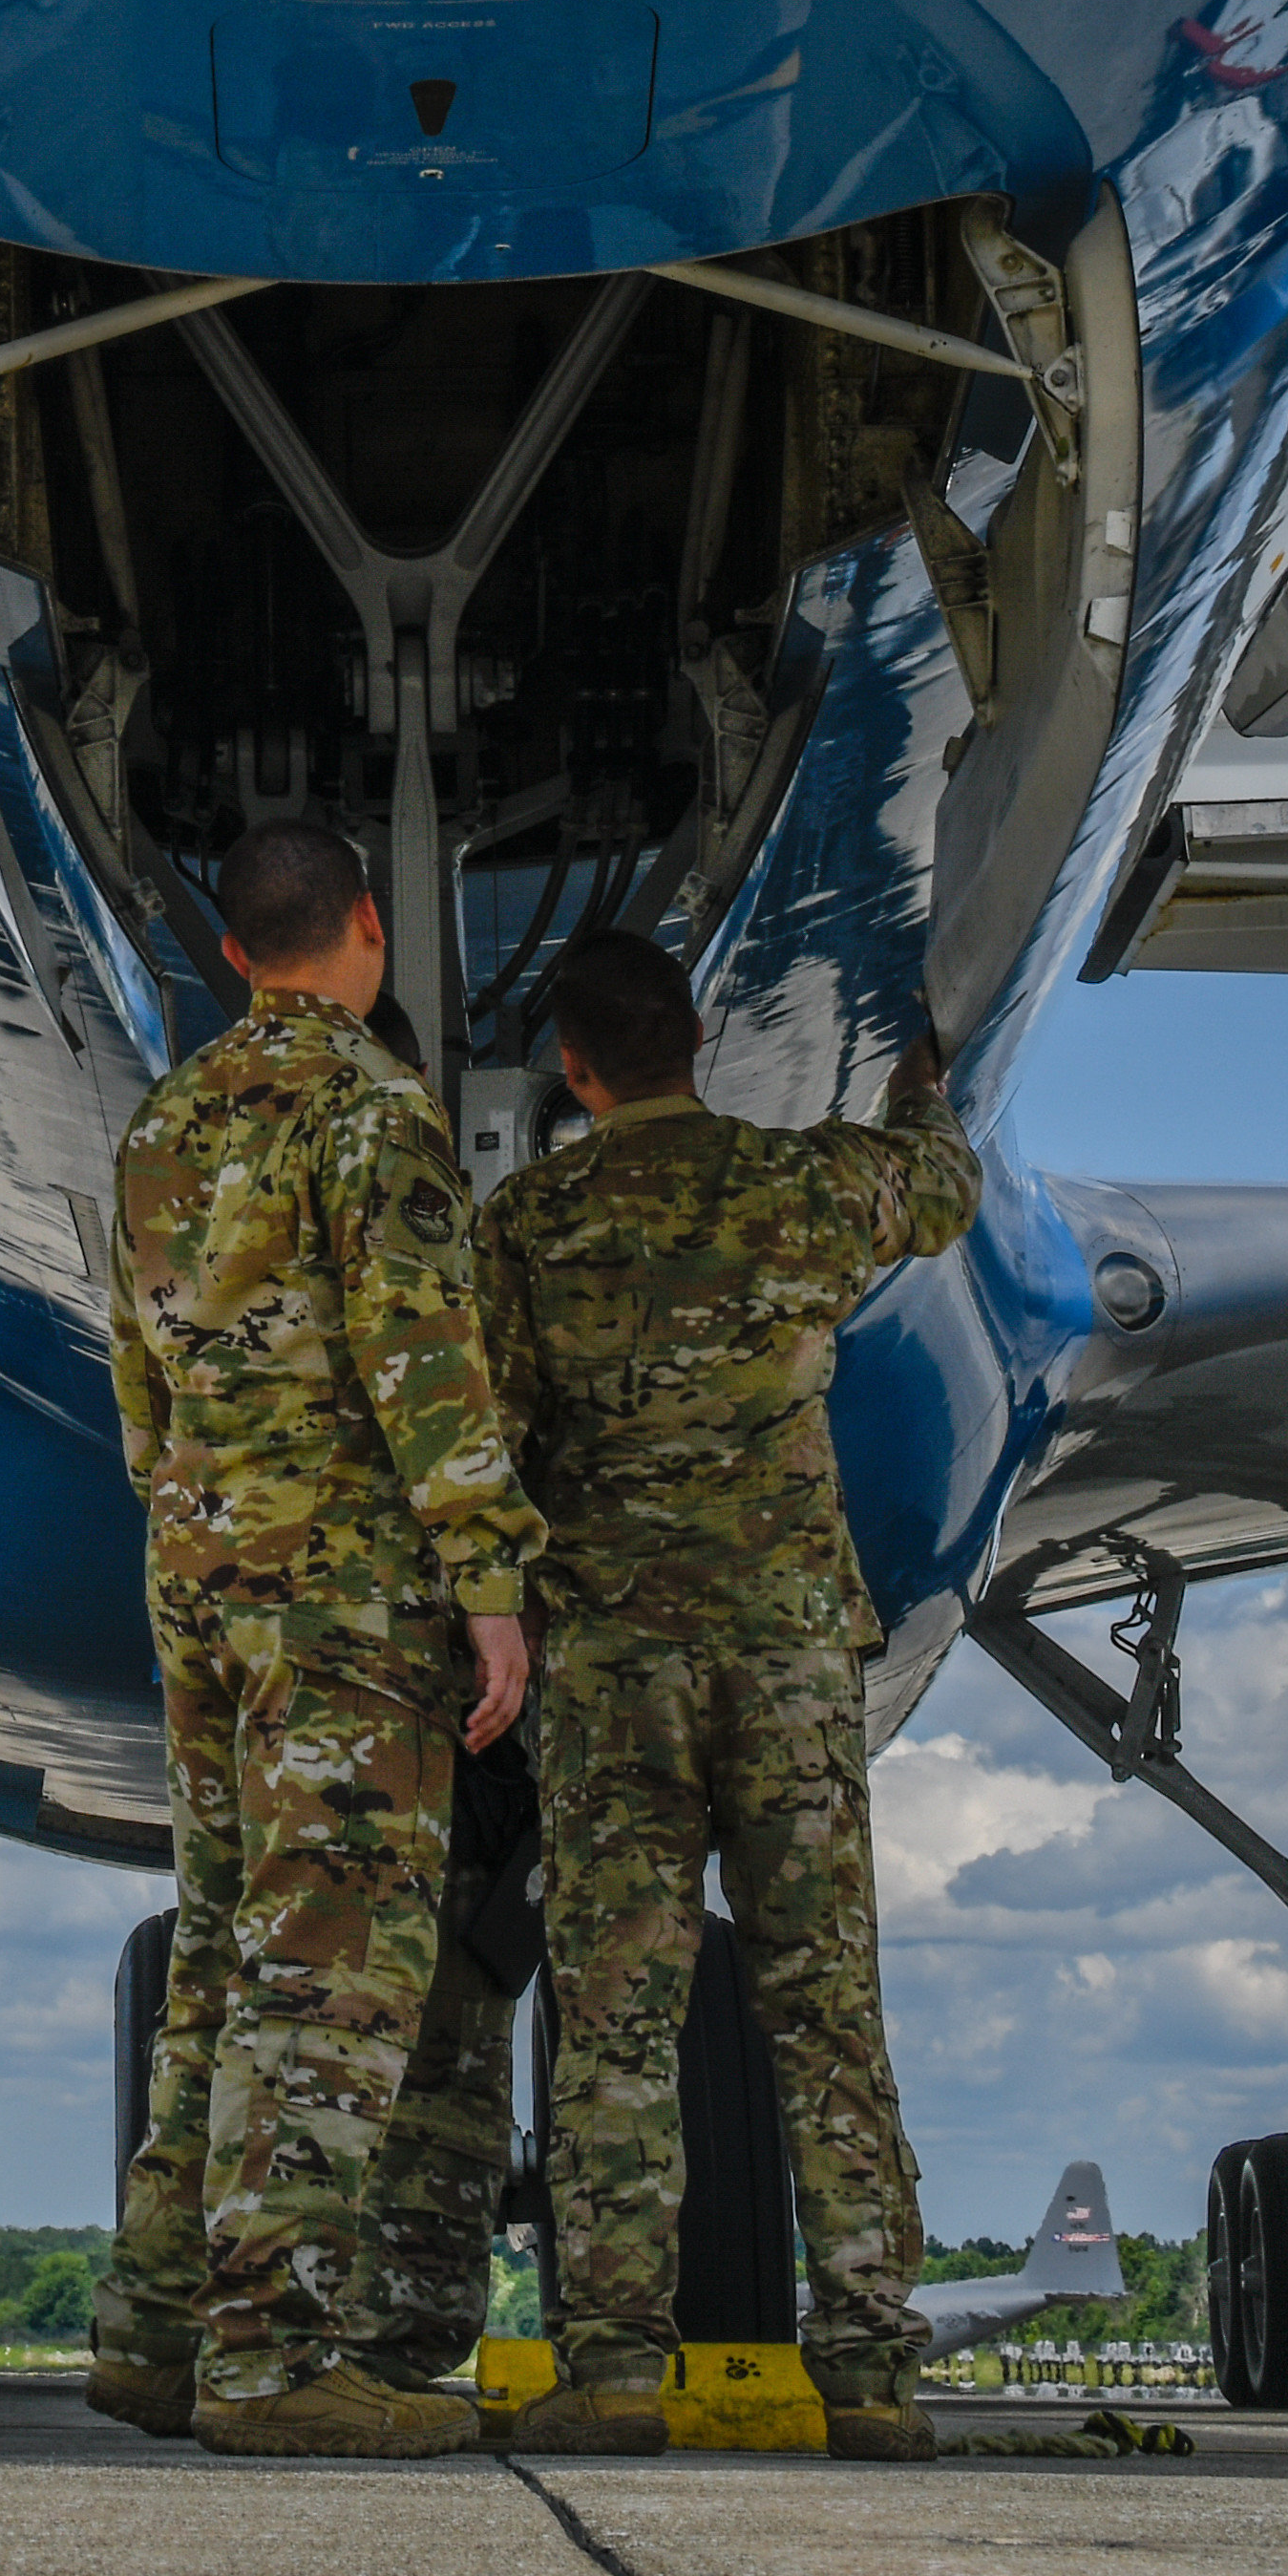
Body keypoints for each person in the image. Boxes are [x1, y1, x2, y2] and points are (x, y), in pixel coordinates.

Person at [475, 923, 974, 2464]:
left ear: (572, 1072)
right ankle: (875, 2365)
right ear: (699, 1037)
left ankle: (618, 2362)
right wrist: (927, 1084)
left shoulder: (533, 1219)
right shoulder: (799, 1187)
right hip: (787, 1660)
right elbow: (938, 1193)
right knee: (824, 2003)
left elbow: (479, 1434)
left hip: (613, 1669)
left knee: (616, 2022)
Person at [85, 820, 538, 2460]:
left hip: (197, 1579)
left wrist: (200, 1524)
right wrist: (489, 1583)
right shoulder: (374, 1111)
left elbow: (138, 1380)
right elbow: (427, 1363)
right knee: (333, 1962)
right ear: (369, 924)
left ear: (229, 955)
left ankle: (148, 2326)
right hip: (339, 1592)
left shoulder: (163, 1125)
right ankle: (275, 2356)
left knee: (218, 1945)